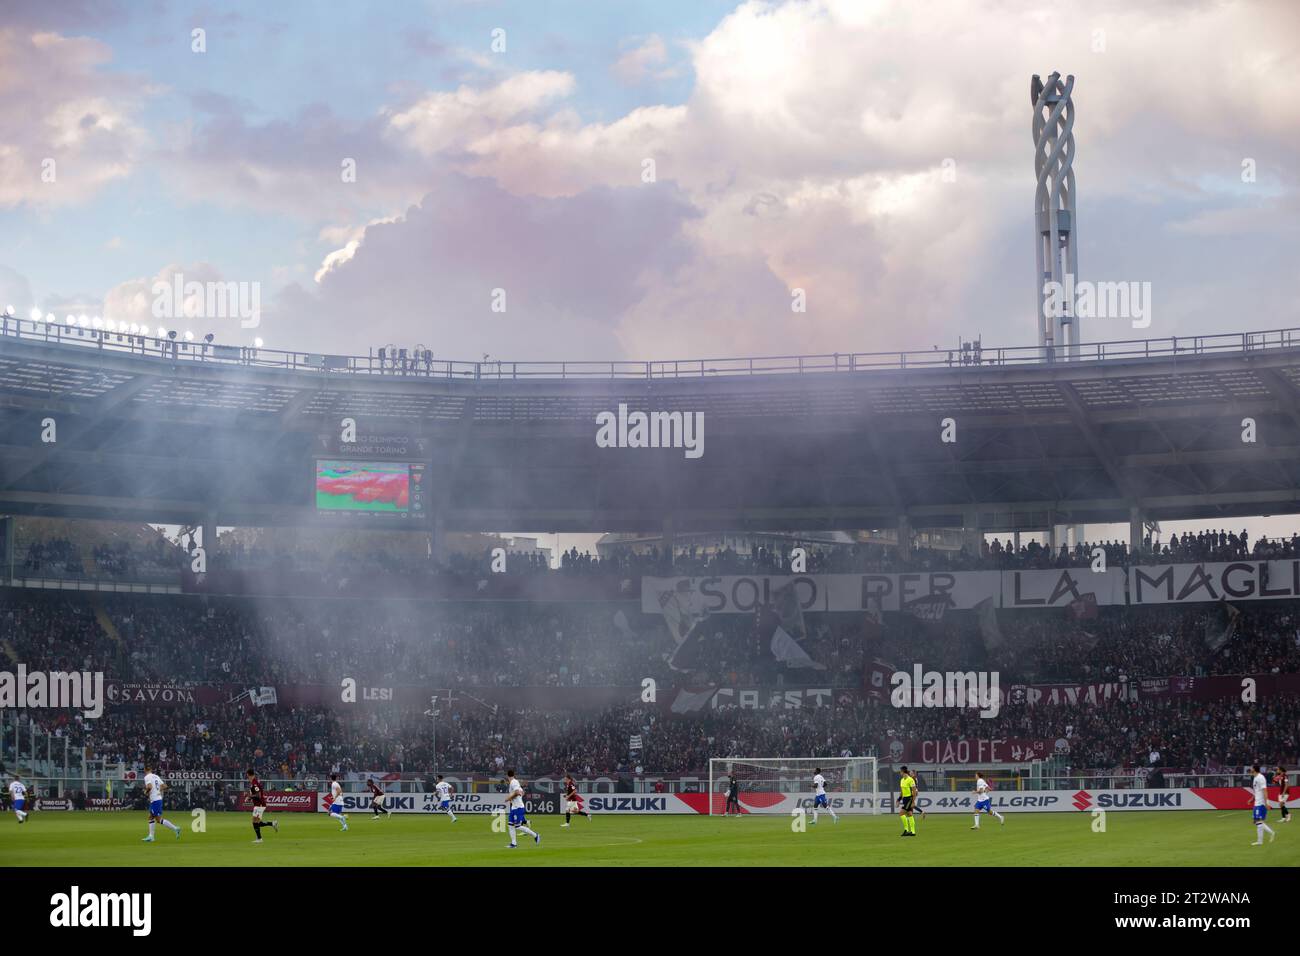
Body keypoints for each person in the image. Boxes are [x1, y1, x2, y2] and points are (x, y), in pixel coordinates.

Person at [141, 765, 181, 842]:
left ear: (145, 770)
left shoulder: (147, 777)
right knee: (152, 817)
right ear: (151, 769)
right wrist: (158, 790)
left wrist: (146, 792)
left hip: (155, 800)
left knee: (157, 819)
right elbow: (165, 786)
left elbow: (149, 787)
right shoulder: (156, 776)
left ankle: (175, 828)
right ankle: (151, 836)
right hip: (157, 799)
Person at [504, 768, 540, 848]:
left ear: (507, 776)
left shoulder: (513, 782)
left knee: (517, 826)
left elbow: (517, 792)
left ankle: (535, 835)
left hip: (518, 807)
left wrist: (509, 798)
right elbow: (522, 792)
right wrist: (514, 797)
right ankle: (514, 844)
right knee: (510, 825)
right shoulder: (515, 782)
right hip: (514, 807)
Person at [247, 768, 278, 843]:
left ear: (249, 775)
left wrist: (250, 796)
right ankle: (272, 823)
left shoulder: (254, 783)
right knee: (257, 822)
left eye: (248, 776)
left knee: (254, 821)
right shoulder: (254, 783)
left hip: (259, 804)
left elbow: (258, 795)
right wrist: (250, 797)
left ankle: (259, 839)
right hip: (259, 804)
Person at [1250, 764, 1276, 846]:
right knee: (1256, 821)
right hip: (1257, 802)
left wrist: (1267, 803)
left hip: (1260, 803)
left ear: (1254, 769)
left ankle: (1260, 841)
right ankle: (1271, 833)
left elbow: (1265, 790)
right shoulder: (1255, 777)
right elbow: (1257, 791)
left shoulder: (1261, 778)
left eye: (1251, 768)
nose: (1250, 769)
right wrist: (1252, 799)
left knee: (1259, 822)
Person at [898, 766, 917, 837]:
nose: (900, 773)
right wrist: (899, 799)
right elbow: (902, 792)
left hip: (909, 799)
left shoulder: (910, 780)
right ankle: (913, 832)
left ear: (903, 771)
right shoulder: (902, 780)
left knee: (901, 814)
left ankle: (906, 830)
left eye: (900, 771)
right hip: (905, 799)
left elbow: (914, 791)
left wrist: (913, 801)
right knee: (909, 814)